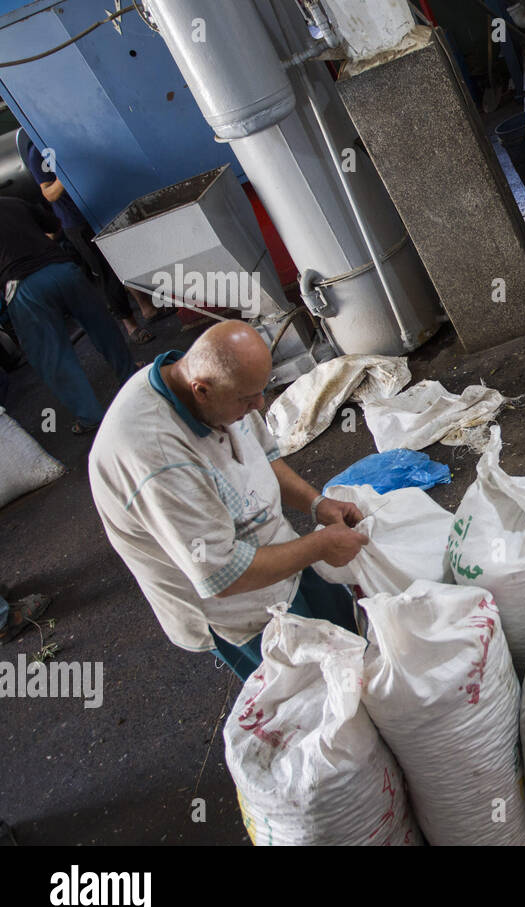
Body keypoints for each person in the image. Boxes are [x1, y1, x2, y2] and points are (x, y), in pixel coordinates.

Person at [88, 321, 369, 680]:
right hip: (235, 606)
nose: (259, 404)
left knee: (353, 647)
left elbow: (263, 459)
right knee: (314, 689)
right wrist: (319, 546)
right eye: (247, 399)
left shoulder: (217, 389)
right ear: (201, 390)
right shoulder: (156, 458)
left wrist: (318, 505)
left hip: (277, 551)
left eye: (261, 391)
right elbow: (221, 575)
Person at [0, 195, 135, 434]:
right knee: (104, 329)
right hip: (63, 269)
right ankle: (133, 380)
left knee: (53, 356)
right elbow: (53, 225)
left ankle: (90, 416)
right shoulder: (12, 201)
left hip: (24, 286)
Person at [22, 137, 161, 344]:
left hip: (101, 206)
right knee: (106, 272)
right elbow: (49, 193)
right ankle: (131, 325)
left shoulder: (66, 134)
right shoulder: (39, 151)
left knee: (125, 259)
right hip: (76, 220)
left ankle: (147, 307)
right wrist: (64, 175)